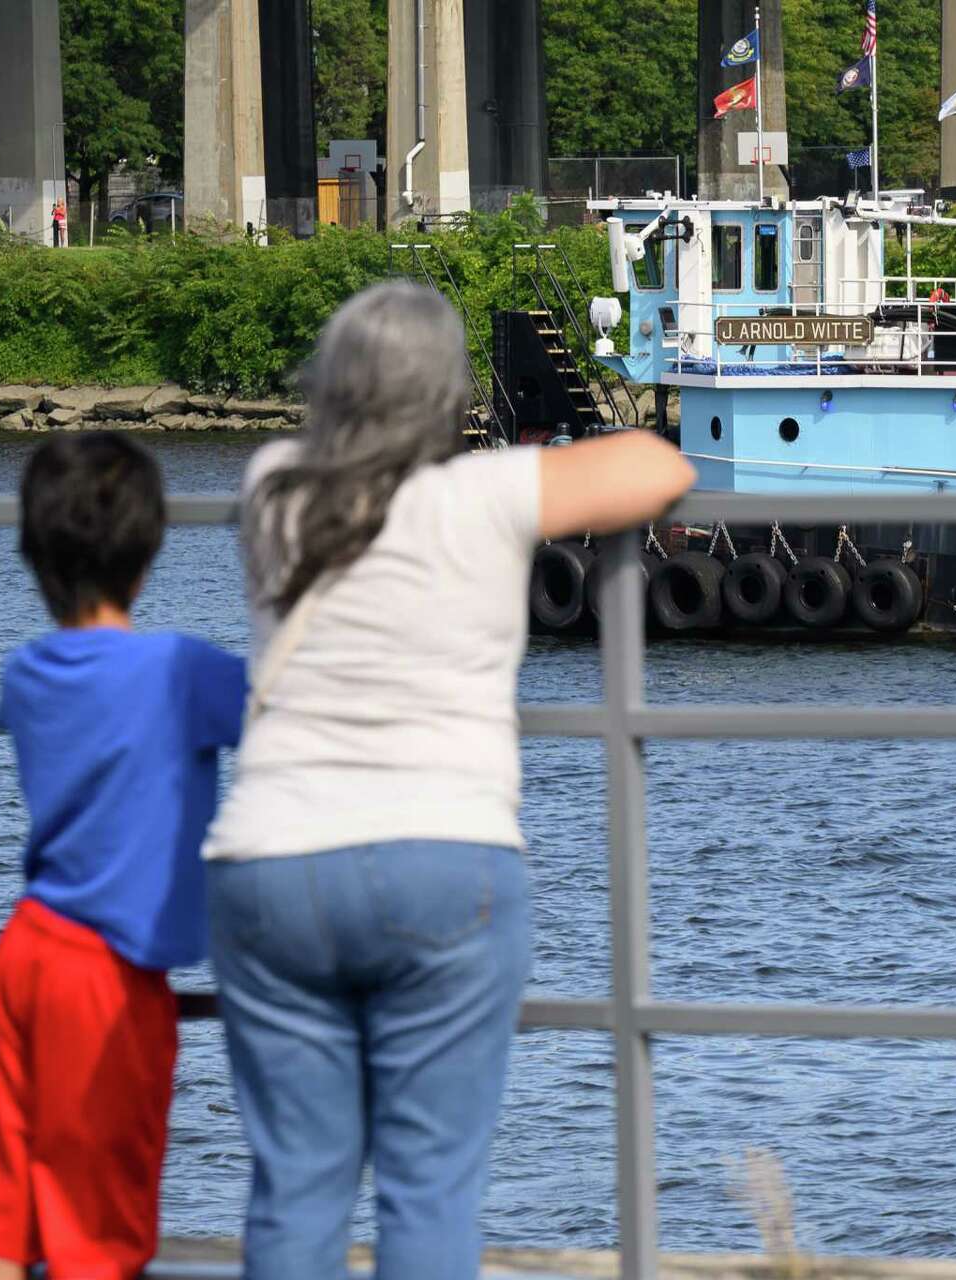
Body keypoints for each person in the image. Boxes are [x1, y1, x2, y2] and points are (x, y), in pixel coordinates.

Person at [204, 281, 696, 1280]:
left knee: (296, 1182)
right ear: (448, 396)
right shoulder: (490, 491)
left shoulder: (272, 483)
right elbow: (657, 464)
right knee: (428, 1184)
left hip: (269, 860)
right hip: (445, 858)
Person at [0, 433, 247, 1280]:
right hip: (108, 982)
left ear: (33, 556)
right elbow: (285, 712)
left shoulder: (24, 674)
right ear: (149, 554)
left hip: (25, 955)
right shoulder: (184, 671)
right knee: (97, 1244)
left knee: (5, 1238)